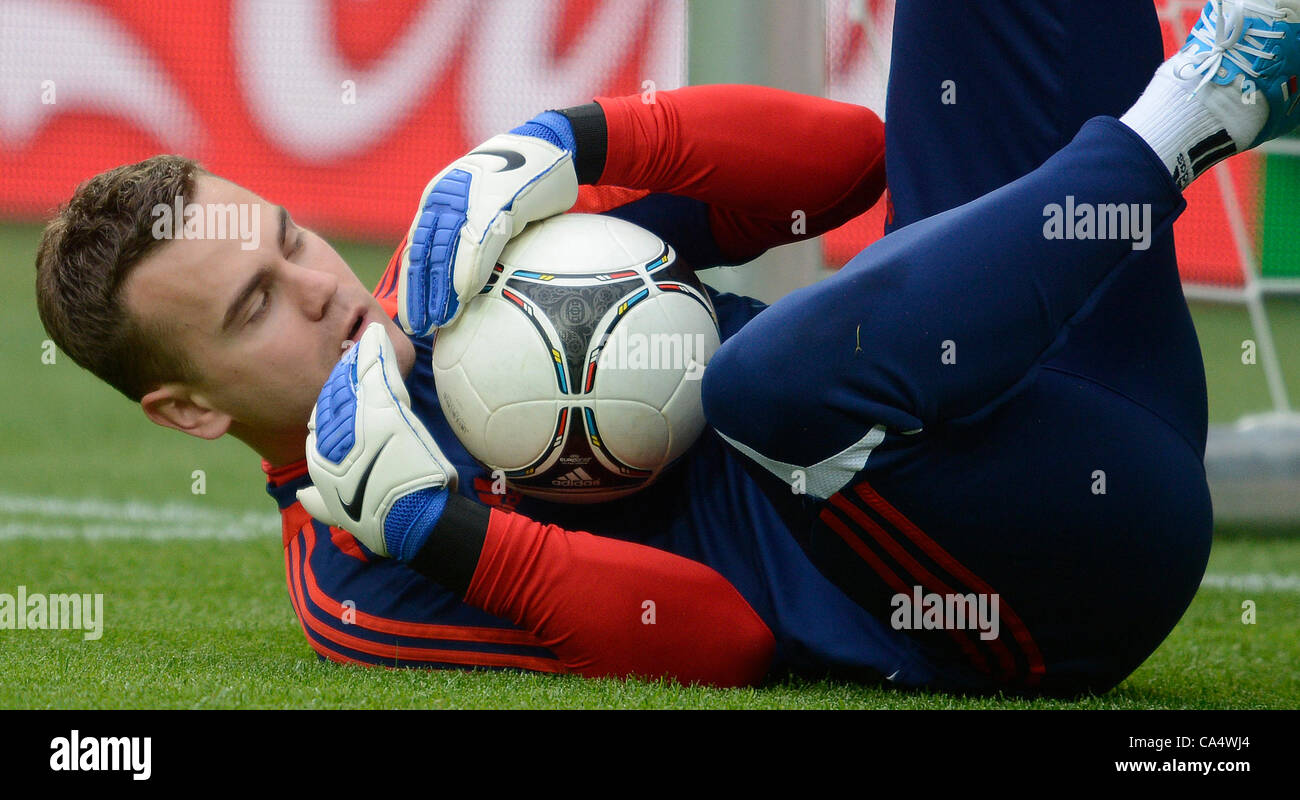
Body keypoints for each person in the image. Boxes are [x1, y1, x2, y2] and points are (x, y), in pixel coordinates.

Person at [35, 0, 1296, 695]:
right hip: (1047, 581)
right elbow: (723, 638)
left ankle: (1215, 87)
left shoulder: (464, 277)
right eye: (253, 307)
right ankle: (1205, 104)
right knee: (756, 382)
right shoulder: (359, 581)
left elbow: (845, 166)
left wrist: (577, 138)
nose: (314, 290)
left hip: (1079, 364)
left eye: (290, 244)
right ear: (186, 409)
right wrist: (451, 532)